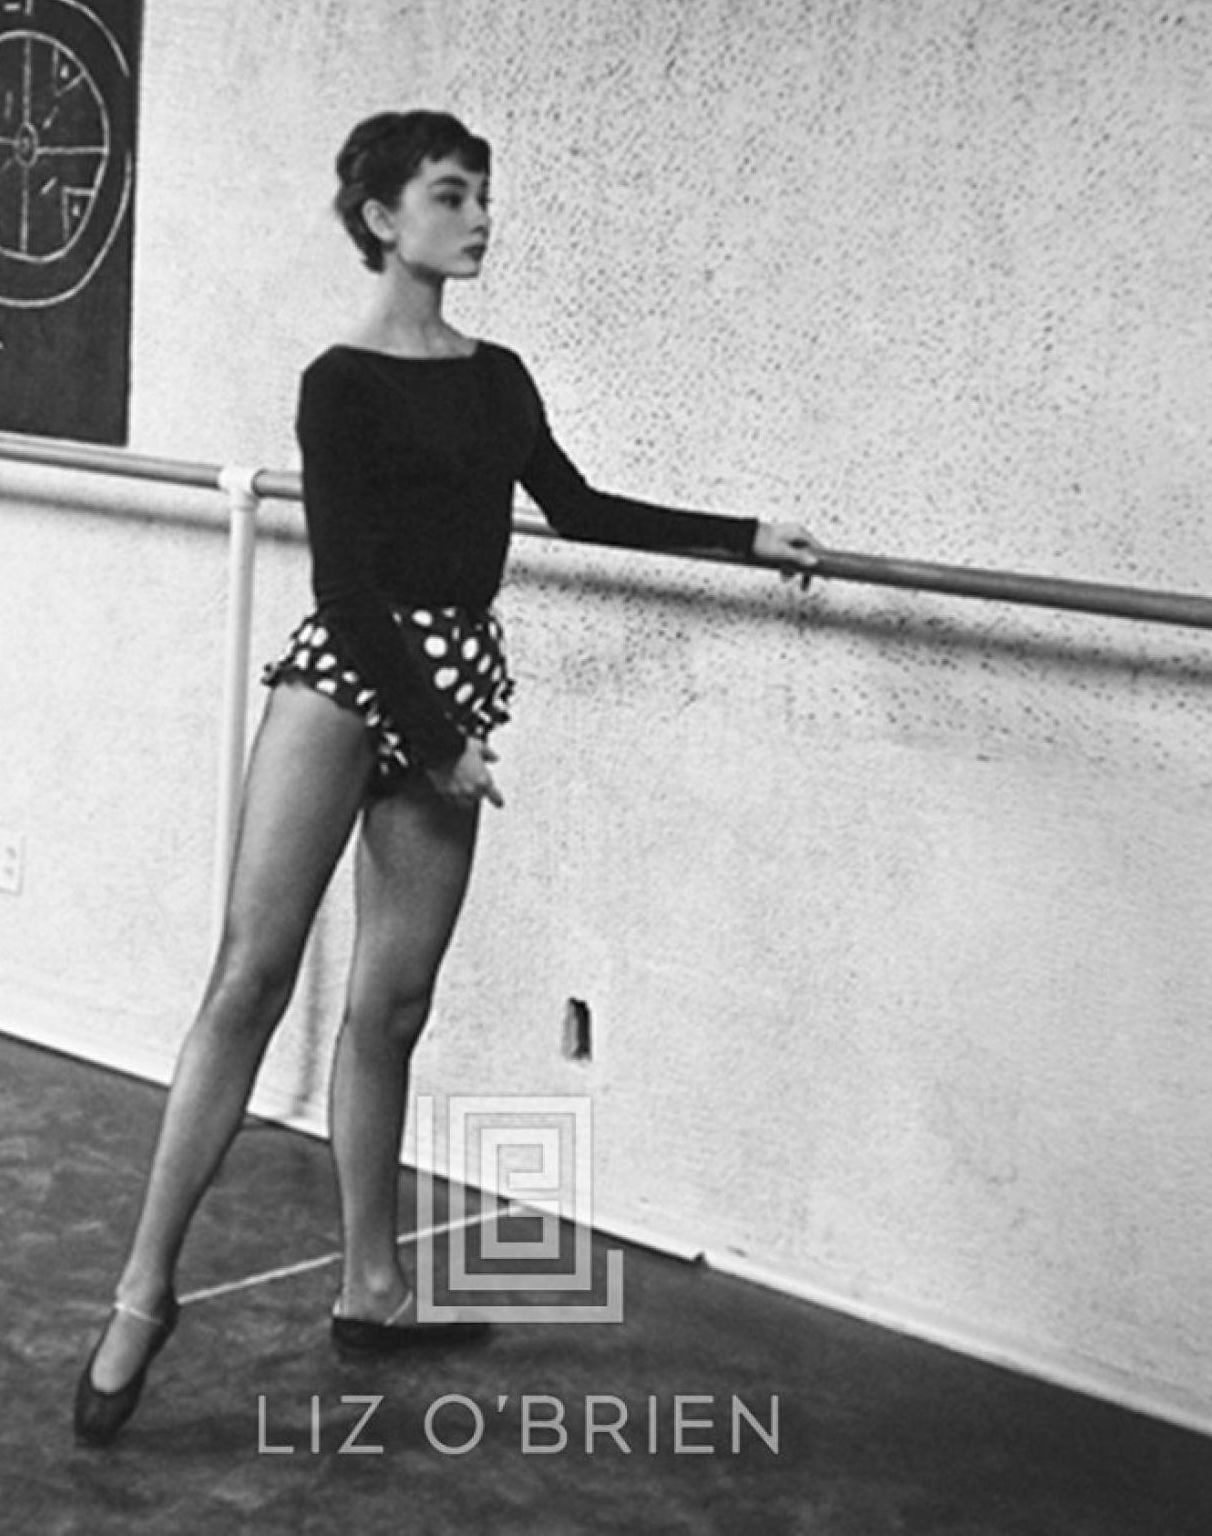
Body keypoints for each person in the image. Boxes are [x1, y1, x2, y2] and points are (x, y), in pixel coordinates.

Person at [73, 110, 819, 1445]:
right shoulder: (340, 382)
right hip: (349, 683)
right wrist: (433, 739)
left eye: (482, 197)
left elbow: (580, 510)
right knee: (250, 978)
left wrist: (747, 535)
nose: (479, 219)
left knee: (394, 1004)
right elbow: (346, 585)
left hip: (453, 687)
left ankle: (371, 1286)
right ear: (382, 217)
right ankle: (143, 1289)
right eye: (451, 195)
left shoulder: (500, 377)